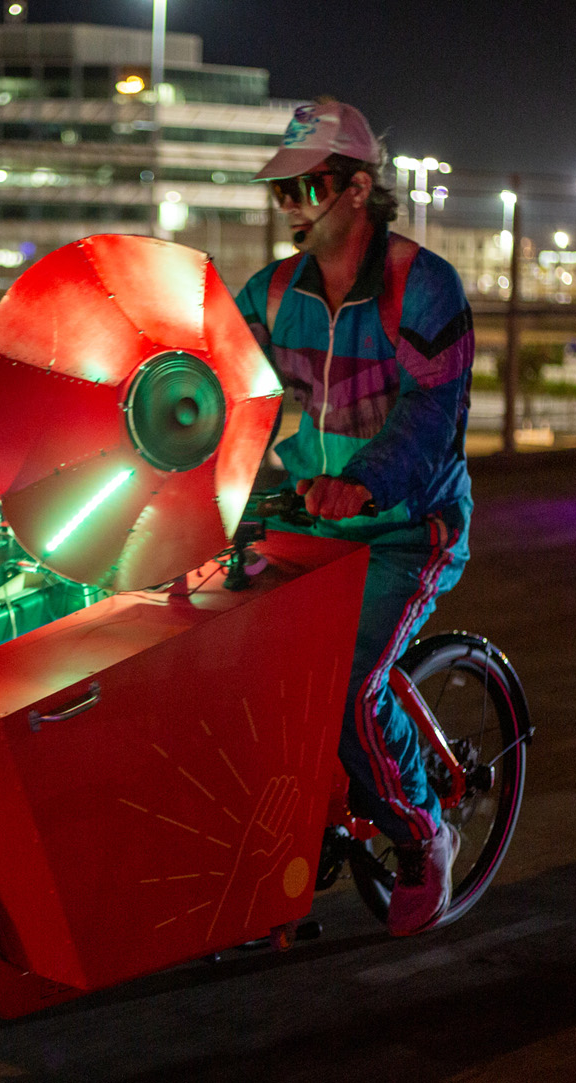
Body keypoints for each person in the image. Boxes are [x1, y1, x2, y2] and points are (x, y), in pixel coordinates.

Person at [236, 100, 475, 936]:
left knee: (342, 685)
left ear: (357, 189)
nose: (293, 206)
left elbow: (429, 415)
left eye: (308, 187)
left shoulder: (422, 284)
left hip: (408, 529)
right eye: (283, 192)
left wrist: (364, 485)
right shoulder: (269, 294)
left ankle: (422, 835)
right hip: (305, 527)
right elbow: (198, 364)